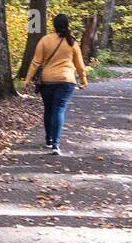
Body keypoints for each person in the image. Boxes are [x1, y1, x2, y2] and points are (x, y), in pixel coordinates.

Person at [24, 13, 88, 155]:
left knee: (48, 109)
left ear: (54, 25)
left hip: (47, 80)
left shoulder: (45, 40)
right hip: (66, 81)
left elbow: (36, 63)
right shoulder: (72, 42)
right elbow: (80, 65)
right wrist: (83, 80)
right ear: (67, 25)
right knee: (58, 109)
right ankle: (55, 144)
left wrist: (27, 80)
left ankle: (48, 139)